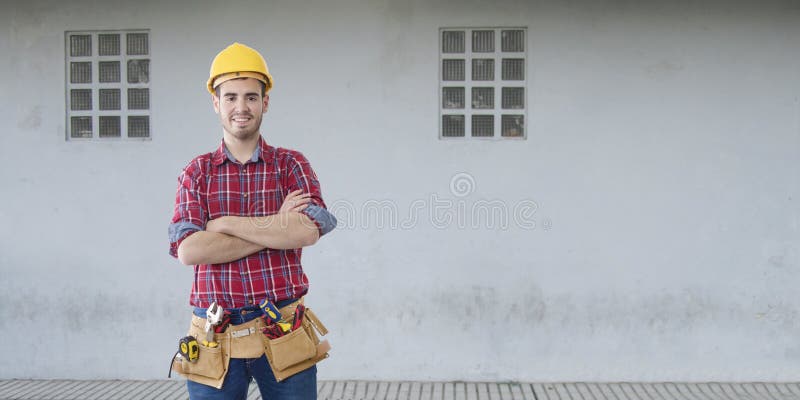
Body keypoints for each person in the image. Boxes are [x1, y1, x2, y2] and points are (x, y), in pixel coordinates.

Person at [168, 42, 336, 400]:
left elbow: (307, 231)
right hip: (214, 335)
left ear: (265, 102)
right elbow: (190, 250)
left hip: (284, 328)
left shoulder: (291, 165)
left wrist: (223, 223)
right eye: (230, 97)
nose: (240, 107)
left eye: (250, 97)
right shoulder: (196, 173)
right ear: (216, 102)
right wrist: (277, 226)